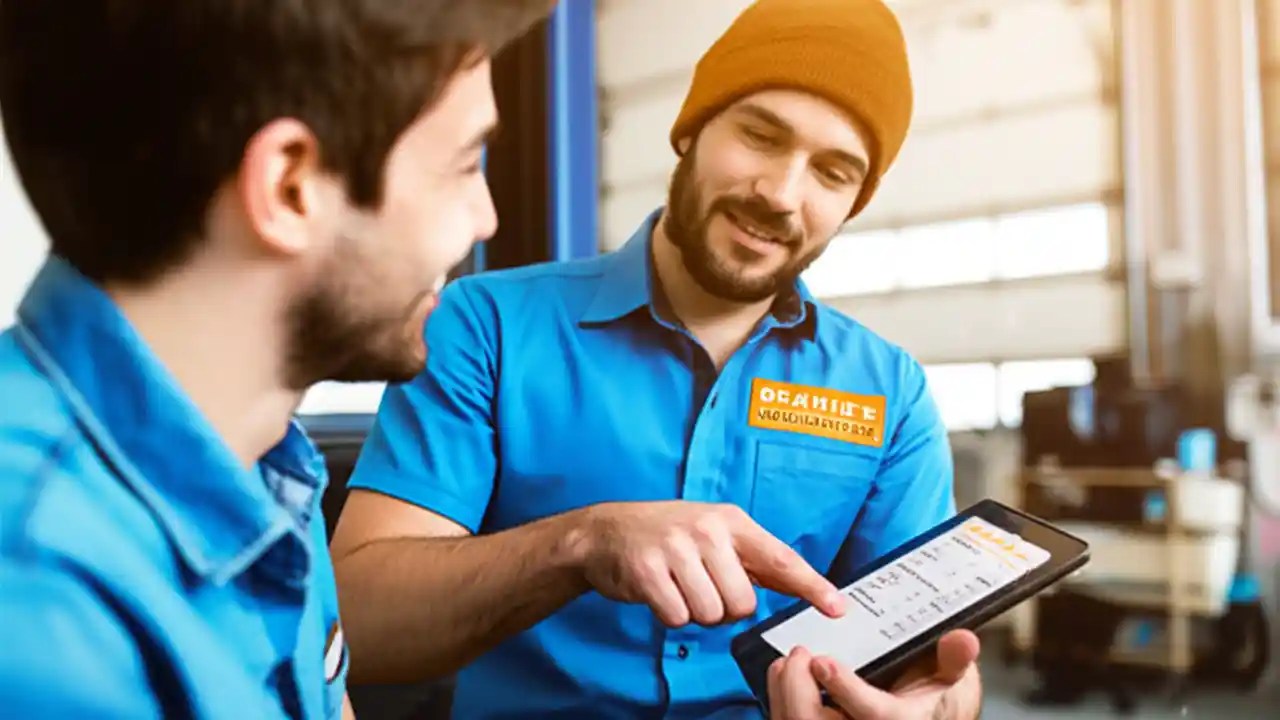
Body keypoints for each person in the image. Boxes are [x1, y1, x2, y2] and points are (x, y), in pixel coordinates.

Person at [332, 0, 982, 717]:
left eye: (832, 173)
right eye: (761, 135)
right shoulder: (486, 326)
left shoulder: (890, 393)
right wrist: (582, 543)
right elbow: (358, 620)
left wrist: (938, 705)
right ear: (693, 130)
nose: (781, 194)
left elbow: (933, 659)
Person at [0, 1, 554, 718]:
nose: (486, 217)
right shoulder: (41, 604)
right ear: (291, 188)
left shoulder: (259, 458)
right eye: (461, 165)